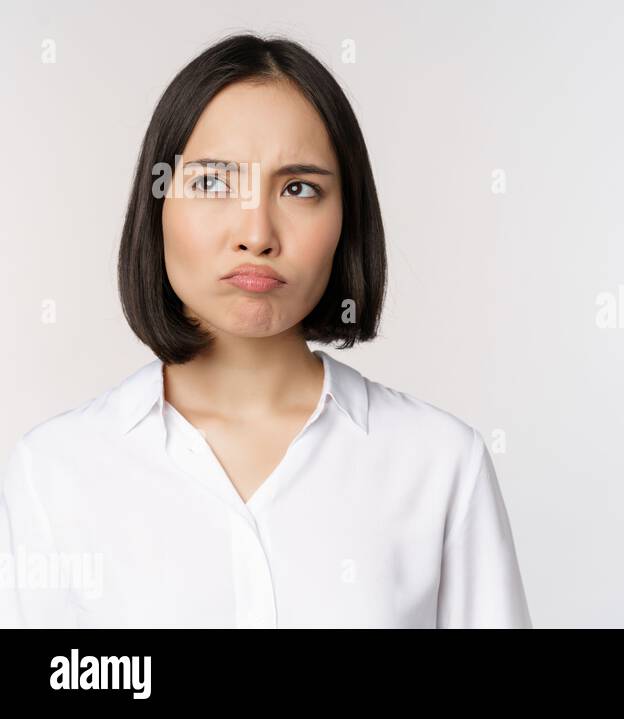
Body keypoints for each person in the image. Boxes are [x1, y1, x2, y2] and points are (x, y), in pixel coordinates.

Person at [0, 34, 530, 628]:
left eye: (298, 188)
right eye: (212, 182)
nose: (257, 233)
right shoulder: (55, 471)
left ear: (346, 220)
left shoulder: (439, 465)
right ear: (158, 208)